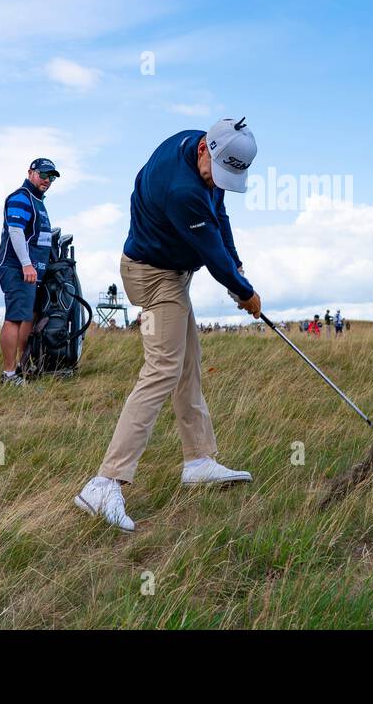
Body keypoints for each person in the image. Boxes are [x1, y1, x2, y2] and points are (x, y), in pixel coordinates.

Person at [75, 118, 261, 533]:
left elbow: (220, 219)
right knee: (162, 369)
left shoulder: (200, 148)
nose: (219, 183)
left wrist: (238, 265)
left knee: (187, 364)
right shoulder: (183, 191)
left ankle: (199, 460)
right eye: (218, 173)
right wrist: (243, 290)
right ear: (203, 152)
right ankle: (105, 482)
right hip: (152, 275)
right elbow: (213, 256)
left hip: (170, 270)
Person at [0, 158, 59, 385]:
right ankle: (9, 374)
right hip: (17, 267)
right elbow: (15, 231)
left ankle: (23, 365)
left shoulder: (38, 201)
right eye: (43, 175)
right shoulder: (21, 197)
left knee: (28, 317)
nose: (47, 180)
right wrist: (25, 264)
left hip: (33, 270)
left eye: (51, 177)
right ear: (31, 173)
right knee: (15, 318)